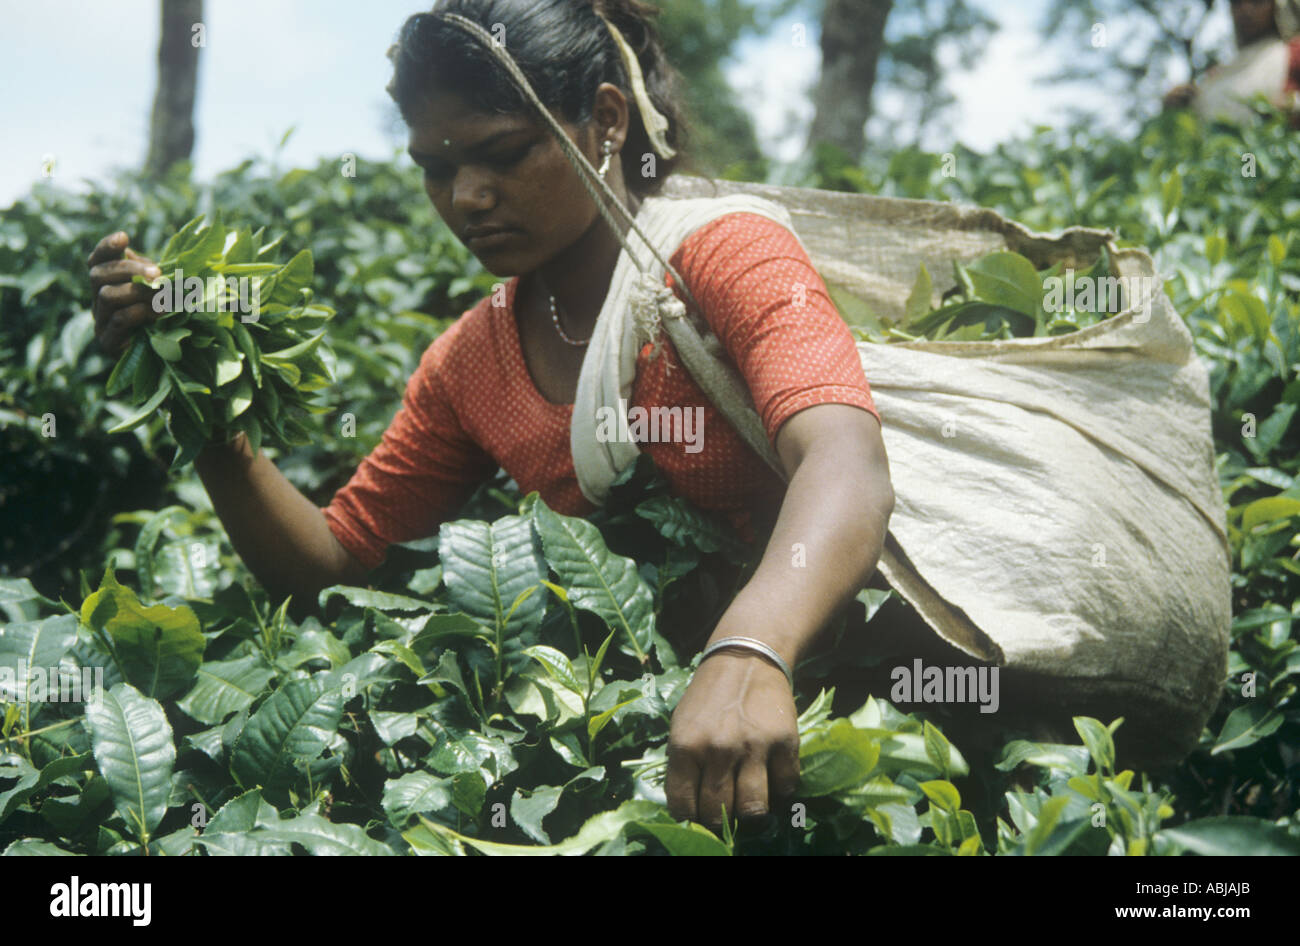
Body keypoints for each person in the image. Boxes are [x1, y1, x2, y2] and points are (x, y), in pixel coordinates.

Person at [86, 0, 894, 830]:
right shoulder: (472, 363)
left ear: (605, 120)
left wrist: (751, 647)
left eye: (503, 154)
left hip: (830, 685)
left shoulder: (724, 255)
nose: (467, 197)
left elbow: (843, 460)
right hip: (657, 739)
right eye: (436, 170)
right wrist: (206, 399)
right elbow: (337, 562)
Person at [1163, 0, 1300, 123]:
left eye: (1256, 2)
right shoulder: (1217, 75)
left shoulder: (1293, 53)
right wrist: (1176, 109)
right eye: (1236, 2)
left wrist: (1293, 105)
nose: (1245, 9)